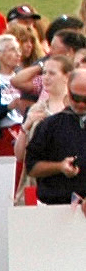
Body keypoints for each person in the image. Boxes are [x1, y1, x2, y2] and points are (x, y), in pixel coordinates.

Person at [22, 66, 86, 205]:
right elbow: (31, 167)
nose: (81, 104)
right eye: (76, 98)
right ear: (68, 92)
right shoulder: (50, 125)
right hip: (56, 206)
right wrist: (59, 167)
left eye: (85, 99)